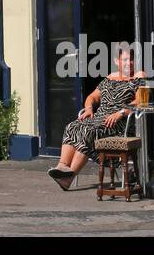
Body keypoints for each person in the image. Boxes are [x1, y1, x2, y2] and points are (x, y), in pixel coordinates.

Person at [47, 45, 146, 190]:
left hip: (119, 122)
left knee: (88, 131)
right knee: (72, 126)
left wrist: (120, 113)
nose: (128, 63)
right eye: (124, 60)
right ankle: (62, 167)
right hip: (100, 118)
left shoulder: (138, 76)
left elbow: (140, 101)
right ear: (116, 61)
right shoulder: (109, 78)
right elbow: (92, 96)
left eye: (131, 60)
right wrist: (88, 108)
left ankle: (69, 177)